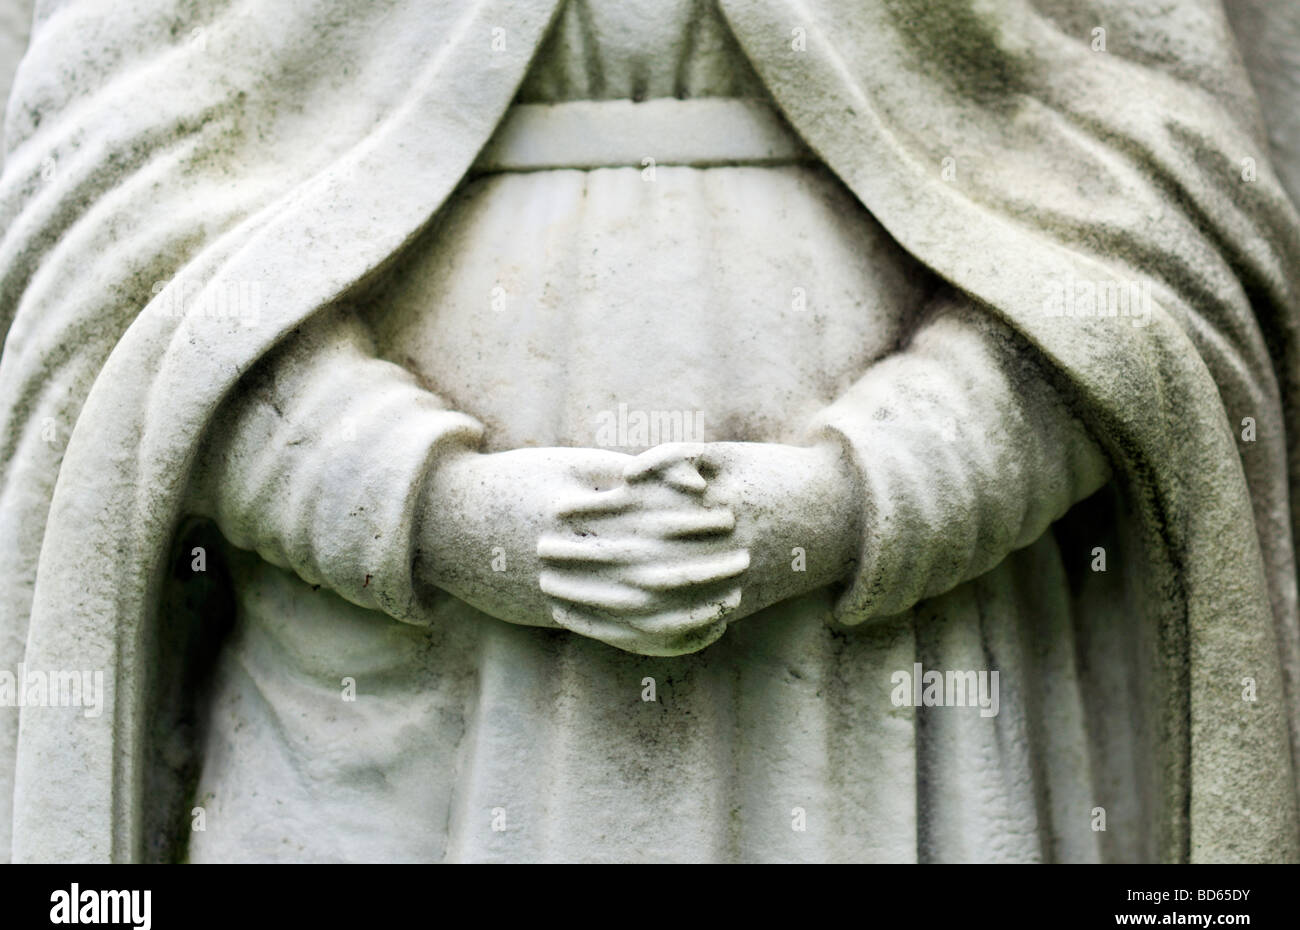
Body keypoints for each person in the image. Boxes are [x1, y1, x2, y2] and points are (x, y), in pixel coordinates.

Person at [1, 0, 1297, 862]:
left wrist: (864, 499)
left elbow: (1150, 247)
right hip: (386, 704)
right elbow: (123, 269)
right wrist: (424, 505)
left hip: (900, 689)